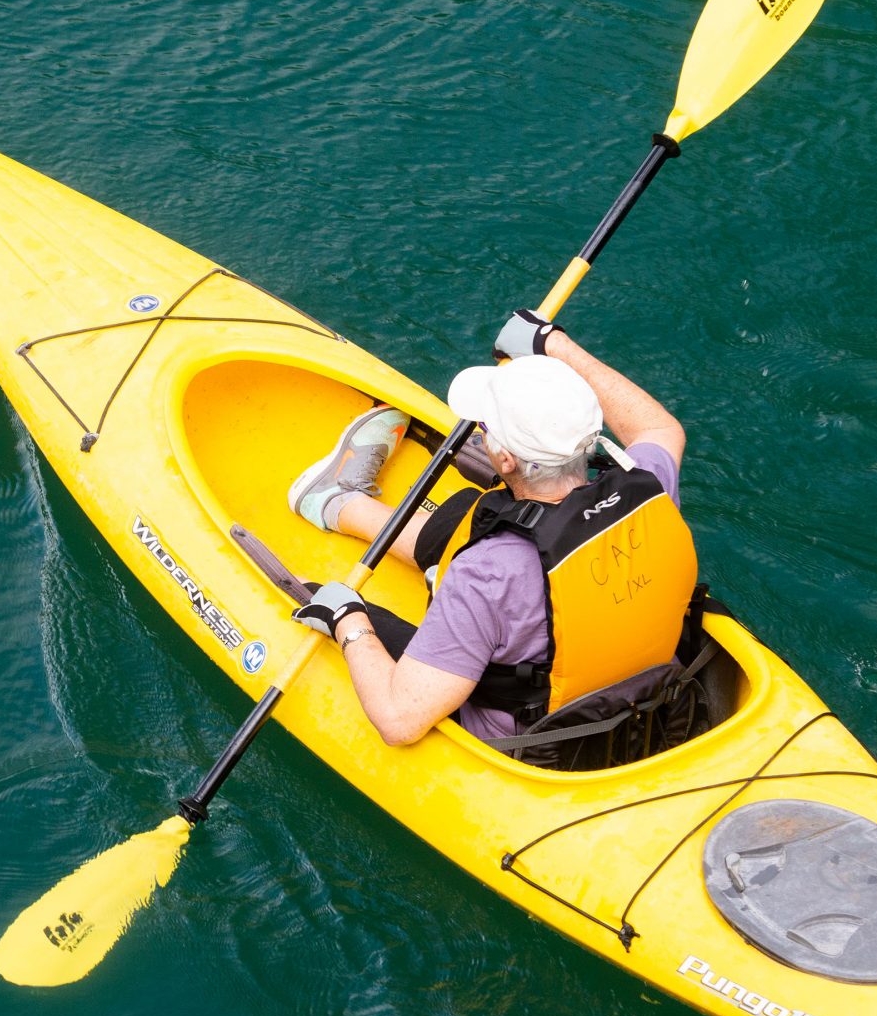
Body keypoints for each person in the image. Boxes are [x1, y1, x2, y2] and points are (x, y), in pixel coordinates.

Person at [283, 309, 700, 761]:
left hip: (538, 744)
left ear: (504, 460)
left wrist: (349, 619)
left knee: (328, 599)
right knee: (474, 514)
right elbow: (658, 427)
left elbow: (399, 721)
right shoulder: (651, 486)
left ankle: (334, 529)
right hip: (654, 709)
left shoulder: (485, 574)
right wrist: (553, 344)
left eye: (483, 431)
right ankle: (340, 504)